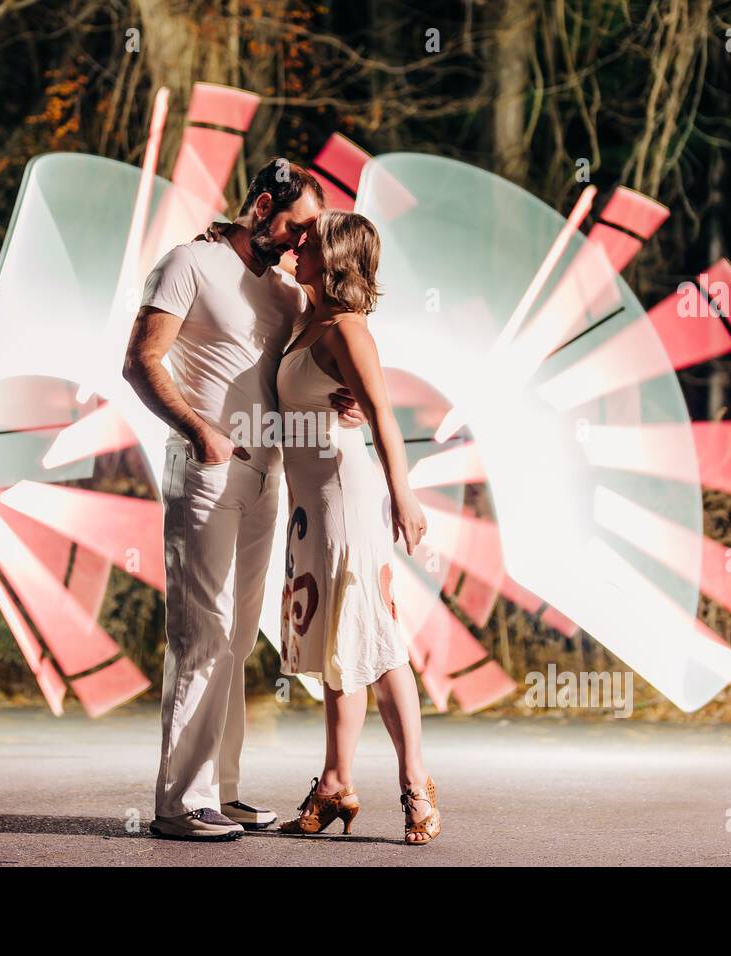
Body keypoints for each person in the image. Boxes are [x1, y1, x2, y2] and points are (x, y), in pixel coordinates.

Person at [122, 158, 364, 841]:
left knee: (233, 639)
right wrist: (199, 432)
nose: (302, 242)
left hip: (268, 481)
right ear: (261, 207)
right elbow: (140, 360)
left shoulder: (287, 296)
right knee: (201, 635)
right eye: (297, 226)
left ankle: (221, 795)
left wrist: (340, 399)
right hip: (206, 474)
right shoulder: (187, 265)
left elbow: (302, 371)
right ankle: (178, 804)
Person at [275, 208, 441, 845]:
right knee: (341, 644)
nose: (298, 245)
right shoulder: (304, 315)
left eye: (310, 241)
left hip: (348, 499)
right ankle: (337, 781)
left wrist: (404, 493)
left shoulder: (347, 329)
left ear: (334, 256)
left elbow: (383, 417)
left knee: (375, 640)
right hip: (310, 507)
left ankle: (415, 784)